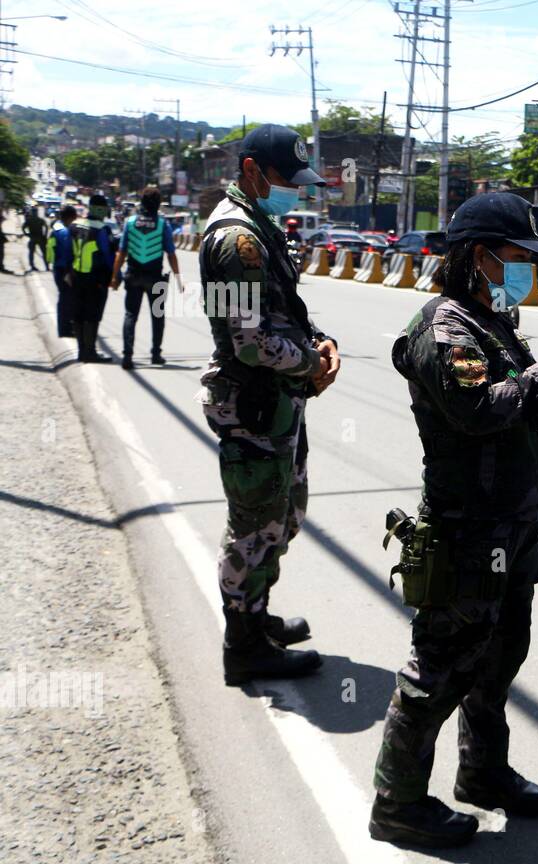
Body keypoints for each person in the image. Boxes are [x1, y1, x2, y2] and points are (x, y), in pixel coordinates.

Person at [369, 191, 538, 849]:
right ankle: (397, 804)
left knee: (499, 660)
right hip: (468, 532)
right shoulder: (445, 330)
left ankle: (482, 773)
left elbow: (523, 407)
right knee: (437, 673)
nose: (525, 270)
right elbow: (478, 410)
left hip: (514, 527)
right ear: (480, 257)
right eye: (516, 257)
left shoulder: (491, 319)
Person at [196, 124, 341, 685]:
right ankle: (244, 645)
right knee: (255, 524)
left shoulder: (261, 226)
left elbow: (280, 313)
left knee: (283, 516)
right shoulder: (237, 239)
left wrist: (318, 343)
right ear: (252, 169)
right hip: (251, 403)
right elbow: (248, 342)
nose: (295, 191)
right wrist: (310, 363)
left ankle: (256, 616)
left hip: (277, 400)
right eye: (286, 179)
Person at [109, 186, 183, 369]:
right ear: (158, 205)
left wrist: (114, 276)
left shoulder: (130, 222)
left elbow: (121, 252)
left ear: (141, 203)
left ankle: (127, 356)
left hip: (133, 275)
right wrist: (179, 277)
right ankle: (156, 354)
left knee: (130, 315)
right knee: (158, 315)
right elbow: (171, 254)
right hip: (155, 277)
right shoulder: (162, 224)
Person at [67, 196, 115, 363]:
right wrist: (112, 277)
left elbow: (66, 251)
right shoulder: (102, 229)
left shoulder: (74, 225)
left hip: (75, 276)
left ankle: (82, 351)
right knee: (92, 316)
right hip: (95, 280)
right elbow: (108, 258)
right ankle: (90, 352)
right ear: (102, 210)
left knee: (78, 314)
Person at [47, 205, 77, 339]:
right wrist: (68, 272)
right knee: (66, 299)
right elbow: (67, 253)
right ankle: (65, 329)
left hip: (57, 268)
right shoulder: (65, 232)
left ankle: (65, 328)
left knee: (65, 298)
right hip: (63, 269)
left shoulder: (56, 229)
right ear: (71, 217)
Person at [23, 205, 49, 272]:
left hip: (33, 237)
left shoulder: (29, 220)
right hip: (39, 237)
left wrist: (27, 234)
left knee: (32, 252)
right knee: (44, 253)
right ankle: (46, 266)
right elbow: (46, 227)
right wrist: (45, 235)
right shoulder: (40, 220)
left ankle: (32, 266)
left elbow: (23, 227)